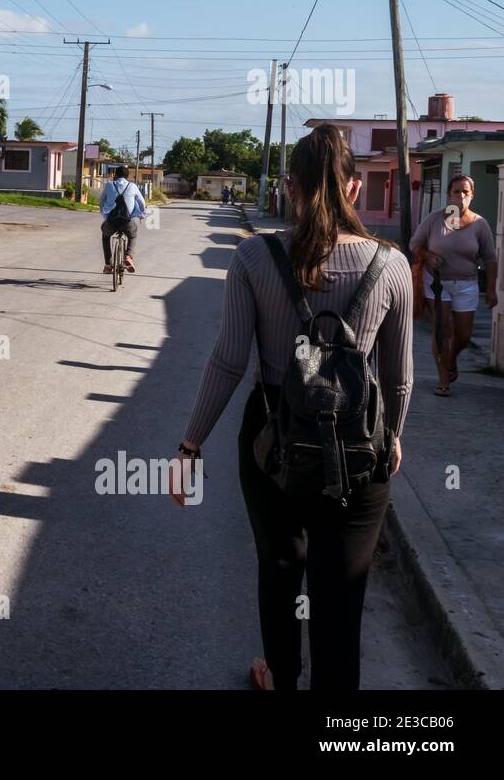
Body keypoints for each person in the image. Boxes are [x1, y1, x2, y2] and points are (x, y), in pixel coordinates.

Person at [172, 124, 413, 691]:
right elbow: (400, 381)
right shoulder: (392, 265)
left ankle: (279, 676)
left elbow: (228, 362)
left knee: (281, 572)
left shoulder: (255, 257)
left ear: (291, 188)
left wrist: (189, 445)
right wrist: (391, 437)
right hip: (358, 446)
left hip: (272, 440)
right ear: (354, 189)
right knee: (341, 596)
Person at [410, 175, 499, 397]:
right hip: (437, 283)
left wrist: (490, 289)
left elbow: (490, 258)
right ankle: (443, 381)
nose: (460, 196)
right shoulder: (435, 219)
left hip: (467, 284)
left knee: (463, 335)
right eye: (456, 191)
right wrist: (428, 255)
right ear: (448, 195)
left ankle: (451, 359)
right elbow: (414, 245)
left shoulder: (480, 224)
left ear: (472, 196)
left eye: (465, 192)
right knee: (441, 330)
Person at [99, 165, 147, 274]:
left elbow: (101, 201)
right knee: (133, 235)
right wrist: (141, 214)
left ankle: (108, 264)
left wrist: (104, 213)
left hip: (111, 222)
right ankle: (128, 257)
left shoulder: (109, 185)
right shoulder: (133, 186)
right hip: (127, 222)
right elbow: (142, 203)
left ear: (115, 175)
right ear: (127, 176)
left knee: (105, 237)